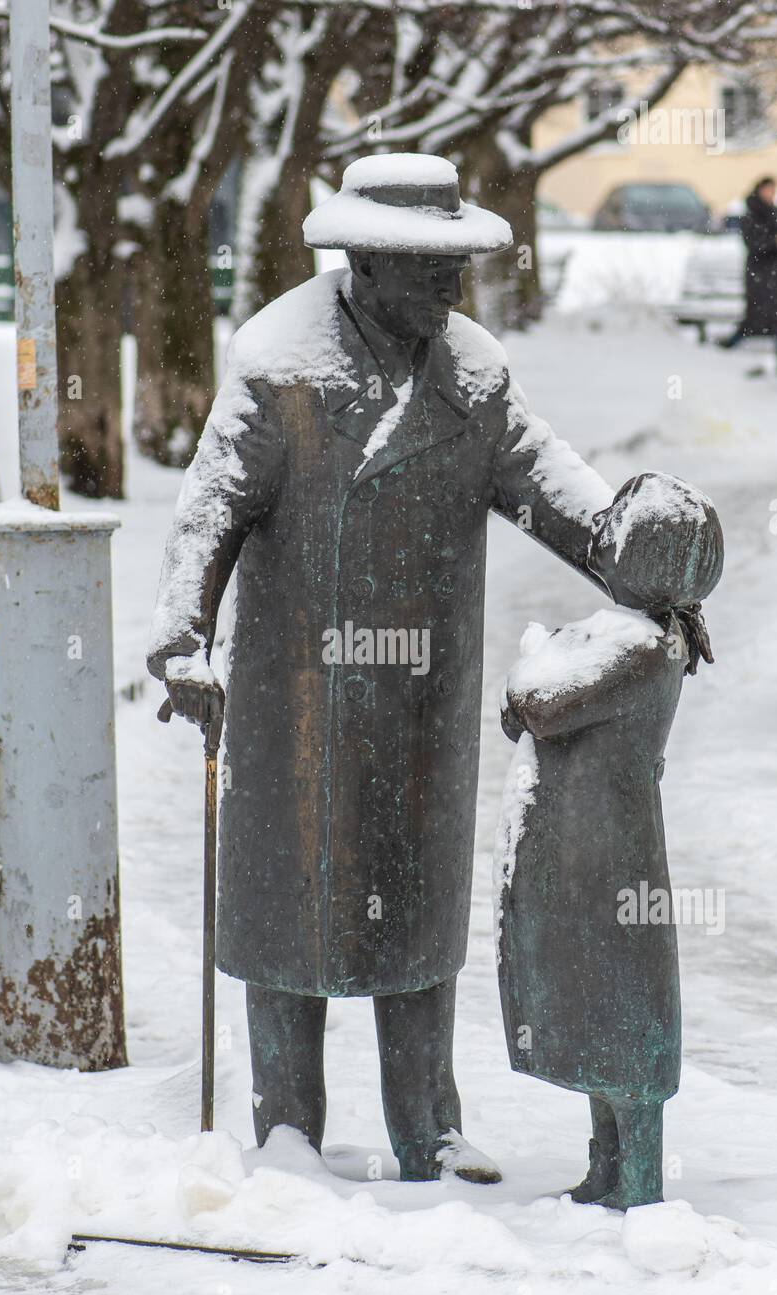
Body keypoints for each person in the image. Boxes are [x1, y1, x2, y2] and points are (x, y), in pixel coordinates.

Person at [146, 152, 614, 1183]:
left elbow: (552, 489)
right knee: (289, 915)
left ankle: (428, 1128)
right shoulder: (281, 365)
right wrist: (182, 638)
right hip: (293, 697)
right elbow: (208, 507)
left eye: (456, 264)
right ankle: (287, 1130)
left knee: (414, 911)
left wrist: (648, 562)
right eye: (428, 266)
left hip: (421, 700)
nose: (451, 286)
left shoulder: (473, 372)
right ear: (361, 260)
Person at [495, 472, 724, 1209]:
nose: (603, 533)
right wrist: (548, 657)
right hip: (586, 846)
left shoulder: (641, 645)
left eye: (619, 527)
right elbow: (535, 704)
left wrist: (540, 651)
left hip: (605, 852)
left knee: (623, 1009)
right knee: (593, 1002)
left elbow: (539, 701)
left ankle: (639, 1175)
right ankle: (609, 1164)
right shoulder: (639, 635)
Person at [719, 177, 777, 372]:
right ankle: (733, 345)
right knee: (763, 315)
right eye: (769, 190)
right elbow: (754, 242)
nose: (771, 195)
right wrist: (774, 241)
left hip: (775, 273)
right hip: (761, 273)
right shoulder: (752, 214)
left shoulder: (775, 212)